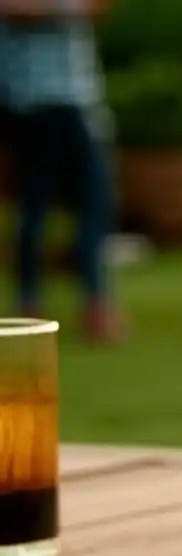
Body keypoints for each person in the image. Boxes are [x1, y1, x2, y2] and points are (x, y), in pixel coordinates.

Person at [1, 0, 121, 341]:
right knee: (35, 205)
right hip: (31, 99)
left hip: (76, 97)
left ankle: (95, 304)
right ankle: (32, 305)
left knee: (95, 204)